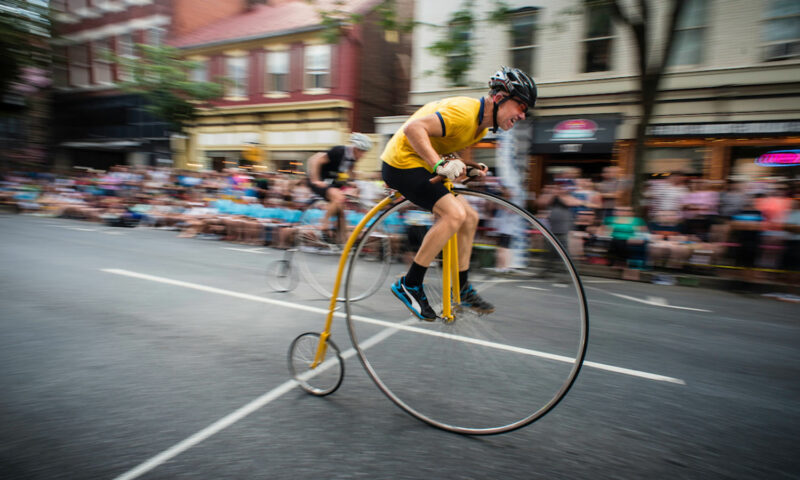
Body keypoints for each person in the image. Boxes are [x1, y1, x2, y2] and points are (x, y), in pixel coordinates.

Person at [381, 66, 537, 320]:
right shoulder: (465, 113)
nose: (522, 115)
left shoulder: (481, 127)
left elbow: (442, 142)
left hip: (419, 164)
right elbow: (413, 130)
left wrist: (467, 166)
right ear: (499, 98)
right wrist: (440, 165)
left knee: (470, 217)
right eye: (520, 105)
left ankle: (462, 288)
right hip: (401, 164)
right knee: (453, 214)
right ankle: (409, 284)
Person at [305, 132, 373, 243]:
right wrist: (315, 180)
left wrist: (352, 182)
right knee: (338, 197)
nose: (363, 155)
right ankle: (324, 224)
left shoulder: (353, 158)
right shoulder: (339, 151)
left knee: (341, 214)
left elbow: (350, 172)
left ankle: (343, 243)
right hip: (319, 179)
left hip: (331, 181)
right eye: (362, 152)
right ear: (356, 148)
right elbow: (315, 160)